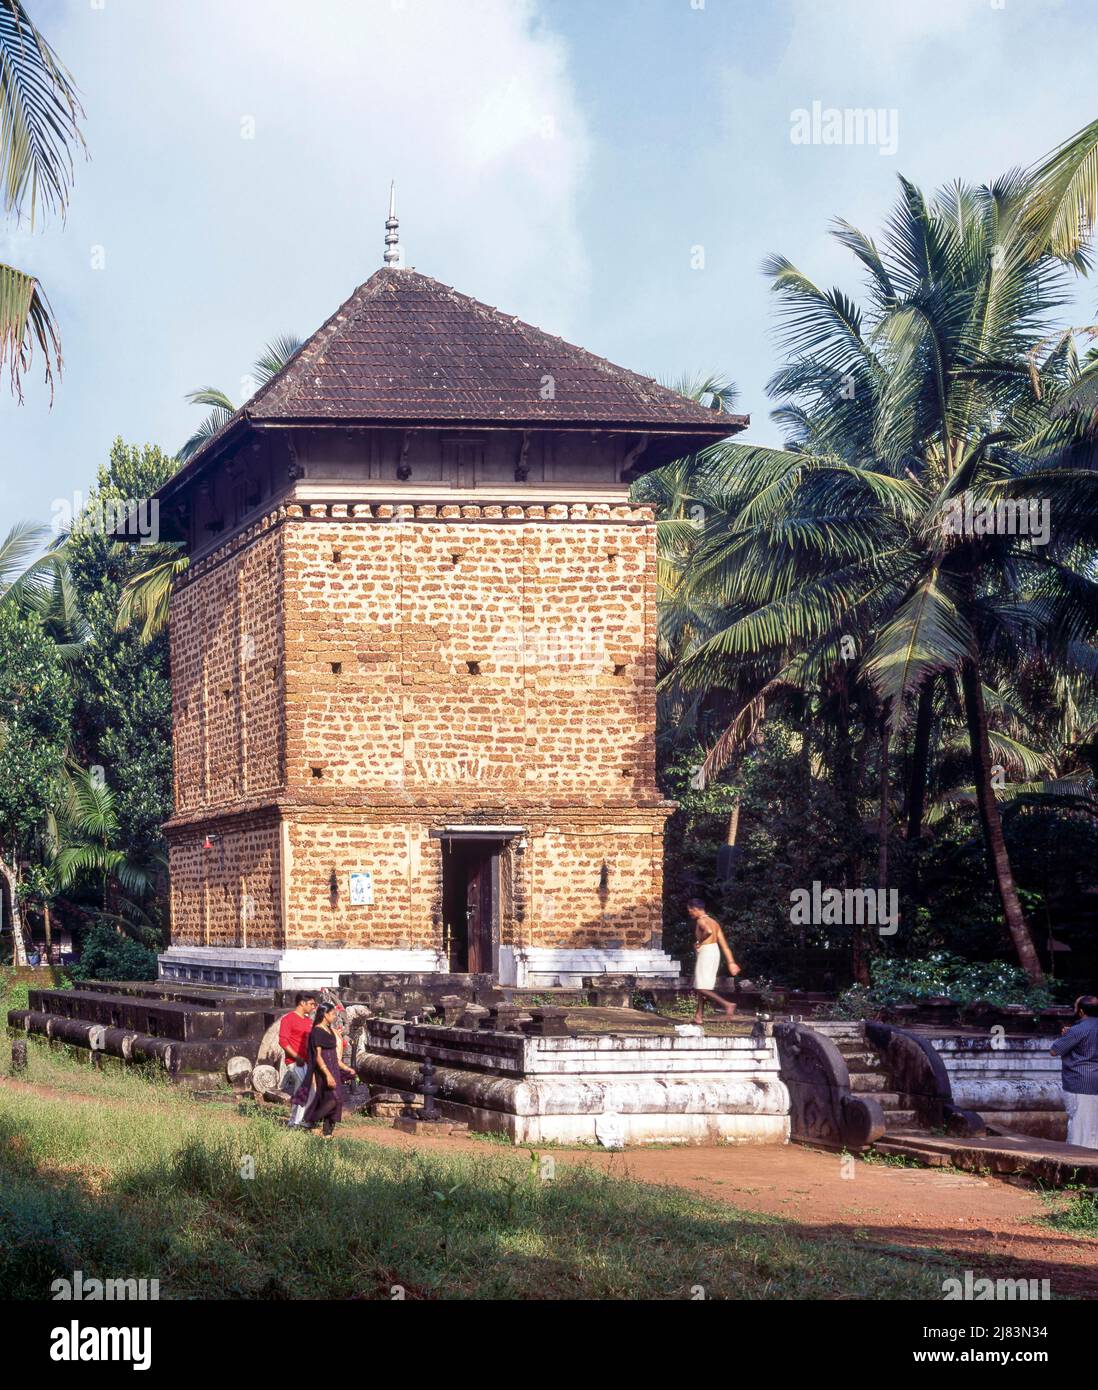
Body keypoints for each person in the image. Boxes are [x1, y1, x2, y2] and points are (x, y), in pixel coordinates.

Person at [293, 1002, 356, 1138]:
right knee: (333, 1099)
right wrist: (327, 1075)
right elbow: (318, 1056)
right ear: (325, 1014)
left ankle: (327, 1133)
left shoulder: (329, 1030)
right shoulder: (317, 1031)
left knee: (336, 1100)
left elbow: (334, 1056)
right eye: (332, 1014)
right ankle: (309, 1119)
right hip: (324, 1071)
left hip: (334, 1069)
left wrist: (346, 1068)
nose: (334, 1016)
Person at [1050, 994, 1098, 1149]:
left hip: (1079, 1082)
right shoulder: (1078, 1030)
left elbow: (1054, 1050)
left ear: (1082, 1011)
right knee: (1093, 1124)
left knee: (1078, 1123)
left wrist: (1068, 1035)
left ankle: (1077, 1157)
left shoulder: (1078, 1030)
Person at [687, 897, 740, 1025]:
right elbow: (724, 945)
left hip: (706, 952)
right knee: (703, 984)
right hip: (714, 952)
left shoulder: (701, 921)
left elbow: (708, 931)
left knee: (700, 986)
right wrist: (731, 962)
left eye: (690, 910)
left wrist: (699, 942)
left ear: (695, 909)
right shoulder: (714, 922)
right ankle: (698, 1016)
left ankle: (727, 1005)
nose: (689, 913)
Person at [278, 993, 316, 1127]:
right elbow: (283, 1041)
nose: (313, 1007)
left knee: (308, 1090)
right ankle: (298, 1122)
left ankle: (297, 1121)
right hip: (294, 1062)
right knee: (304, 1089)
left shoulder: (308, 1021)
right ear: (302, 1003)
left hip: (307, 1061)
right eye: (311, 1004)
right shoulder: (288, 1019)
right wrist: (296, 1057)